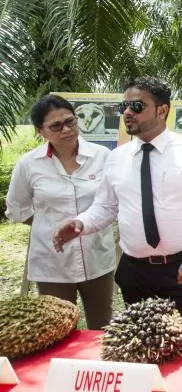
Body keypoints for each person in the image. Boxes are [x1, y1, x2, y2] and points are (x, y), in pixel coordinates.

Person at [53, 77, 182, 334]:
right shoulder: (117, 158)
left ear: (162, 110)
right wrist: (81, 223)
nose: (127, 112)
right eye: (123, 107)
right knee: (144, 344)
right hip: (135, 274)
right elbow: (106, 207)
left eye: (136, 106)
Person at [5, 95, 115, 329]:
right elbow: (17, 209)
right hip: (51, 262)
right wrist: (50, 225)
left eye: (70, 121)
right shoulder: (29, 164)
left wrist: (82, 225)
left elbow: (112, 203)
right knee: (56, 330)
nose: (66, 129)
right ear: (40, 131)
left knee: (102, 328)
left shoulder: (102, 156)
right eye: (56, 126)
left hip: (96, 257)